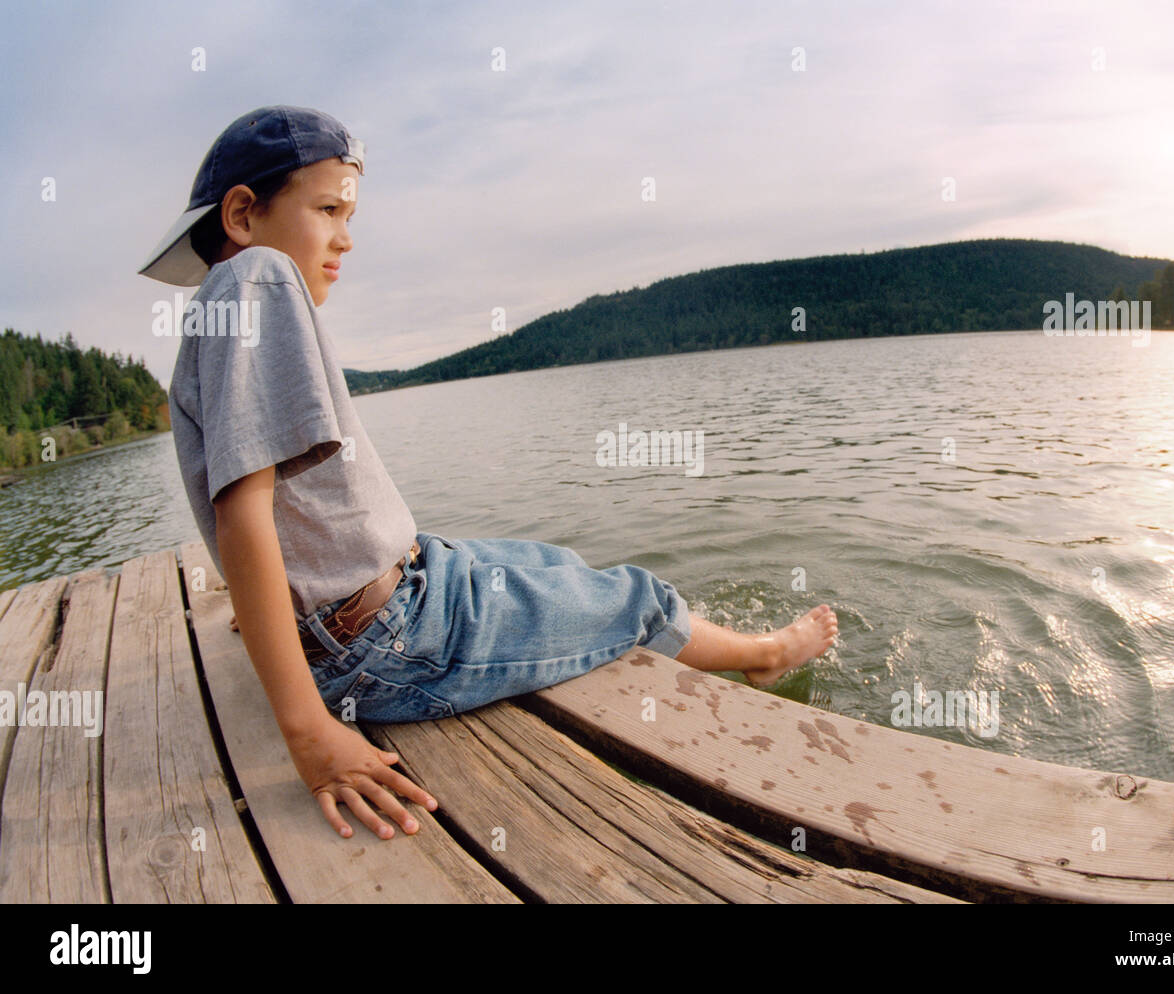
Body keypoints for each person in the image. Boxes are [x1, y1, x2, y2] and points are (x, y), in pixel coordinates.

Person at [139, 106, 838, 842]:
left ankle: (690, 634)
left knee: (547, 564)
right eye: (328, 209)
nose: (347, 237)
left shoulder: (215, 318)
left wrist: (272, 614)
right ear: (244, 214)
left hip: (393, 599)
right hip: (389, 638)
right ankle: (760, 656)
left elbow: (270, 511)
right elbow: (242, 513)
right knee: (632, 595)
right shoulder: (260, 278)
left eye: (351, 213)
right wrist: (310, 735)